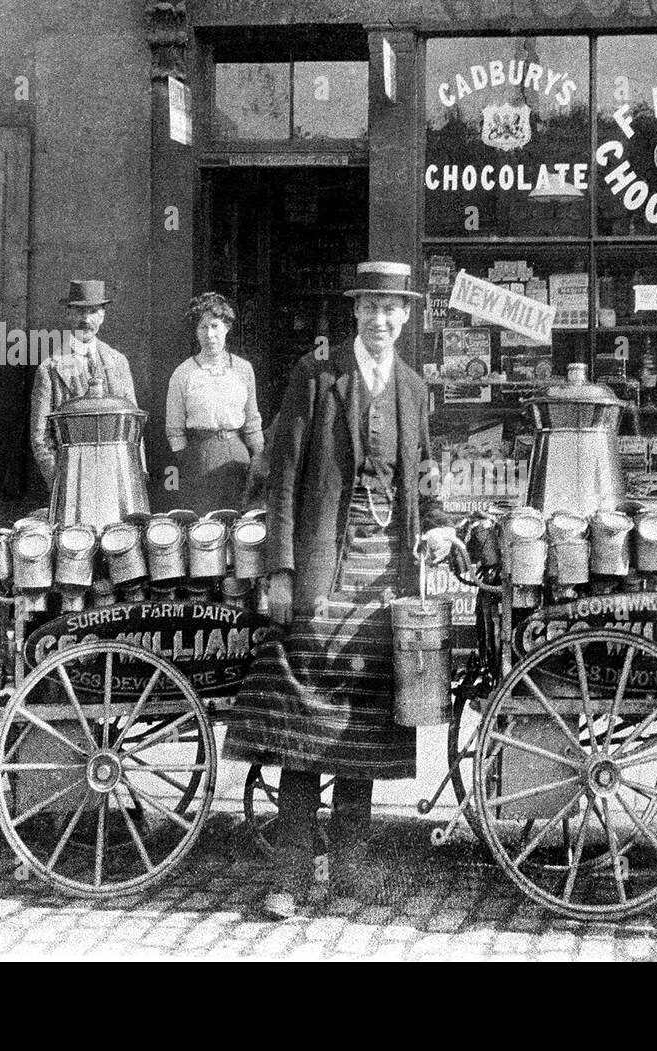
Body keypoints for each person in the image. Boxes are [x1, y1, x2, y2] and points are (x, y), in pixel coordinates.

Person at [225, 261, 455, 919]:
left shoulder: (412, 388)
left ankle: (351, 870)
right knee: (304, 729)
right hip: (324, 568)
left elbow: (427, 472)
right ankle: (292, 877)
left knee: (362, 728)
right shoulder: (316, 376)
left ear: (406, 316)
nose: (382, 320)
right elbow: (281, 473)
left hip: (387, 577)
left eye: (393, 310)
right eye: (371, 308)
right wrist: (280, 568)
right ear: (355, 313)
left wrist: (438, 526)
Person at [30, 279, 137, 489]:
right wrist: (59, 482)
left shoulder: (118, 362)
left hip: (115, 477)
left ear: (103, 315)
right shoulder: (50, 369)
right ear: (68, 314)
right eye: (79, 311)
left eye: (93, 311)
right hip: (72, 480)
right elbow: (40, 436)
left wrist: (133, 473)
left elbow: (133, 425)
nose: (85, 319)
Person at [165, 292, 264, 511]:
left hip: (238, 455)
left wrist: (258, 457)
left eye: (215, 326)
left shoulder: (243, 369)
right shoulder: (183, 373)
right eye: (202, 328)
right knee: (203, 525)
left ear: (227, 327)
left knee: (240, 522)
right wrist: (188, 461)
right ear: (195, 332)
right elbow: (174, 430)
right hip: (199, 456)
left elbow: (252, 420)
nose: (210, 335)